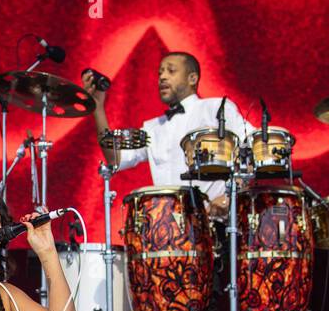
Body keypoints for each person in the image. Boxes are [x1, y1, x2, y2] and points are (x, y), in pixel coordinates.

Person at [83, 52, 253, 215]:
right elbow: (115, 159)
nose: (162, 77)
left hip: (215, 222)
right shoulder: (152, 127)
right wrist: (98, 108)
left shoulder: (217, 108)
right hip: (169, 226)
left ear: (192, 78)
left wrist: (231, 196)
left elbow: (252, 148)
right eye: (160, 73)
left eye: (171, 71)